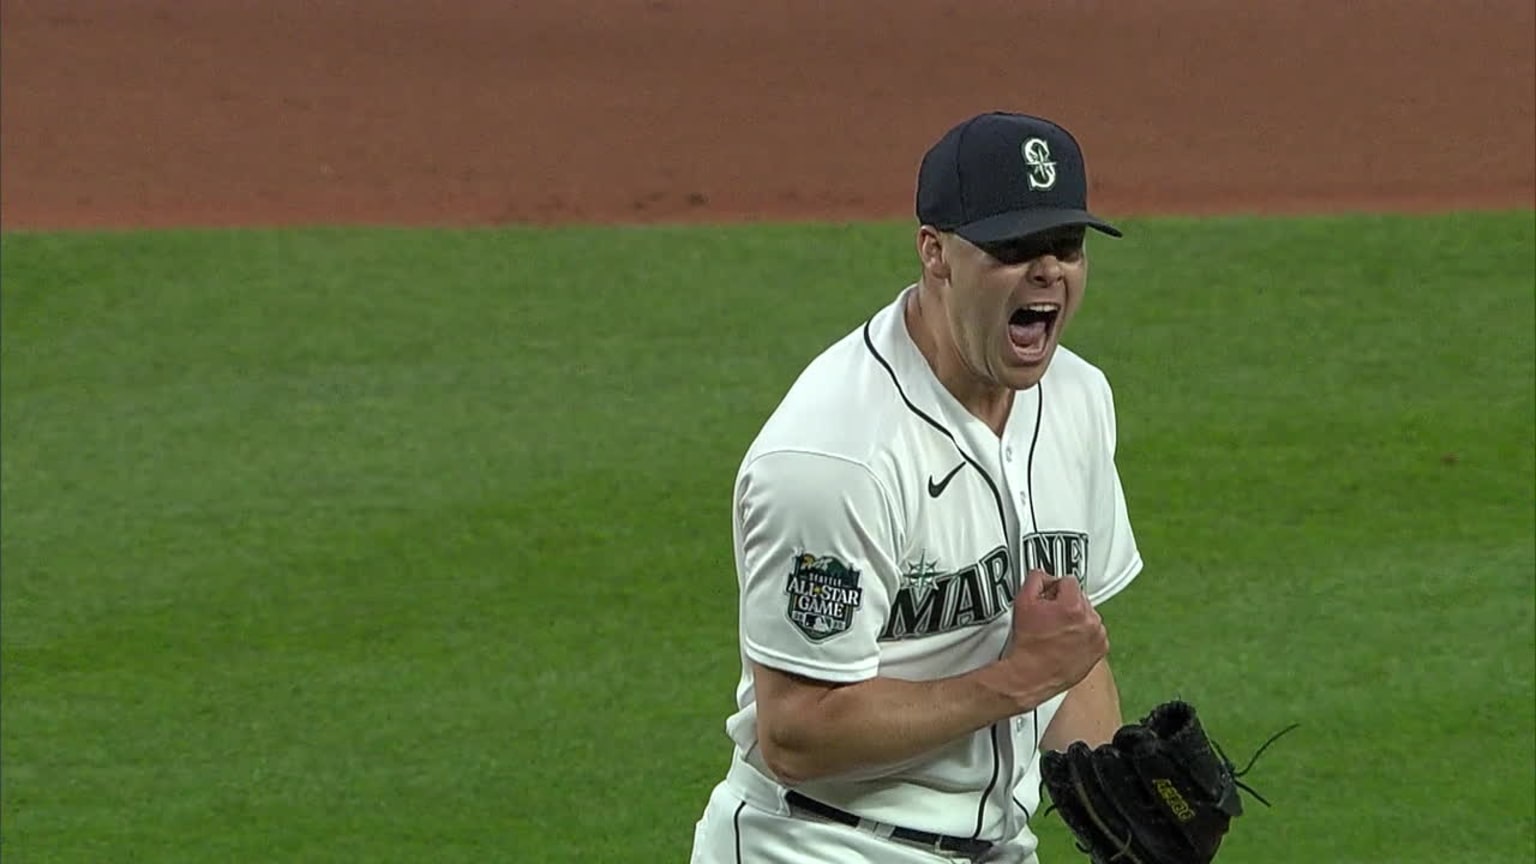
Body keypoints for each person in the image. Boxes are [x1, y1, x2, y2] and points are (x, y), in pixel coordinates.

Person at [688, 111, 1144, 863]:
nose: (1047, 271)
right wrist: (1014, 682)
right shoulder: (836, 458)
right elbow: (797, 731)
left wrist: (1114, 813)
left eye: (1066, 246)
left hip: (998, 845)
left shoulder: (1078, 400)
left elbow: (1068, 648)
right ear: (934, 252)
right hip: (816, 844)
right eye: (1012, 247)